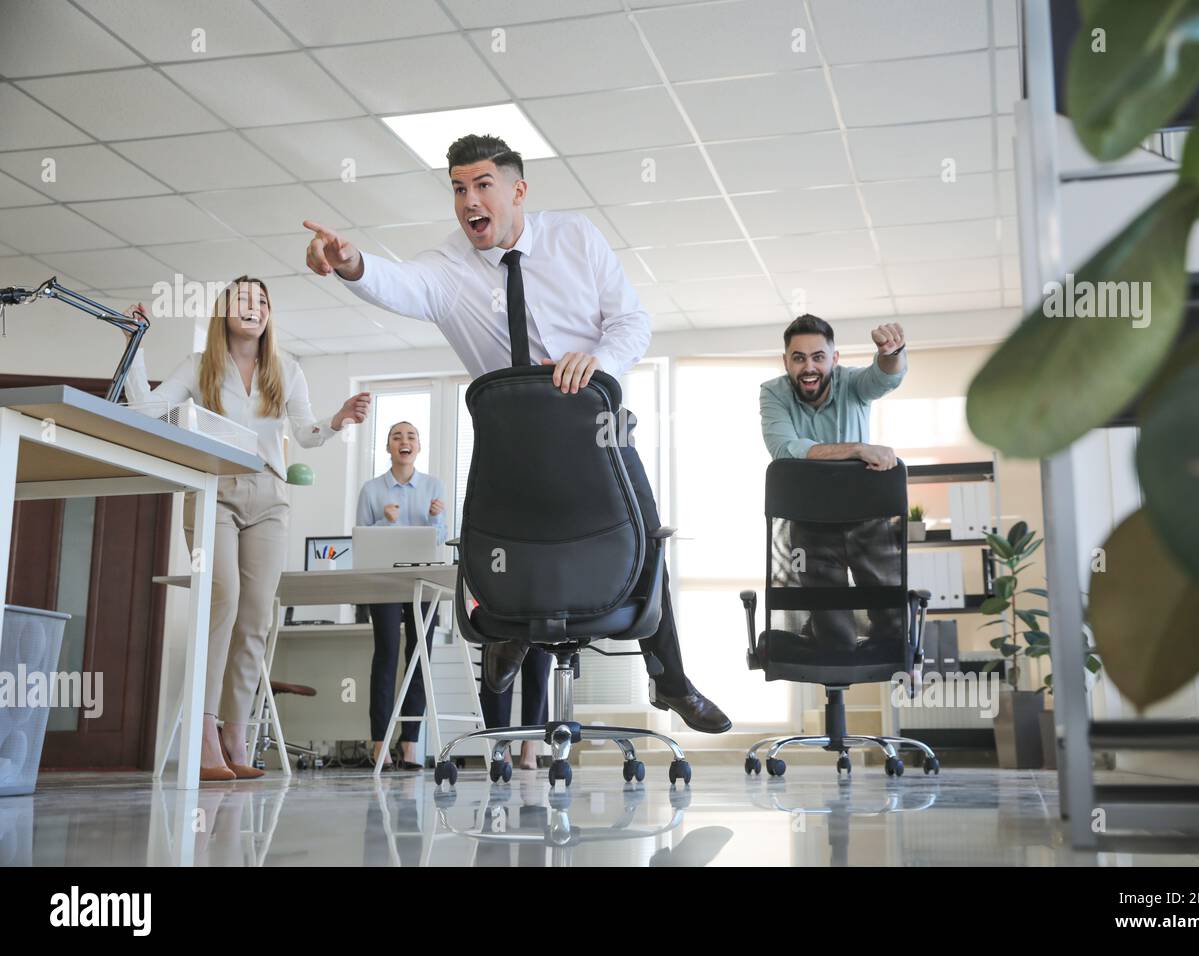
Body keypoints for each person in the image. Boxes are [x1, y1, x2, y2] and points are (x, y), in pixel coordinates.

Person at [303, 133, 730, 732]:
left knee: (645, 539)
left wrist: (599, 364)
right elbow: (397, 283)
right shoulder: (448, 268)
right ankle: (507, 637)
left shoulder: (575, 237)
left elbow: (632, 320)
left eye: (482, 185)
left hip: (595, 429)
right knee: (500, 547)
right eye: (458, 189)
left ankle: (672, 682)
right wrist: (350, 263)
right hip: (514, 446)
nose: (469, 200)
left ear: (517, 190)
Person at [124, 276, 370, 781]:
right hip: (215, 489)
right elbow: (147, 411)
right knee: (224, 600)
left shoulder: (286, 369)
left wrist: (338, 419)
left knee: (256, 616)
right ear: (224, 311)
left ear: (268, 315)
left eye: (262, 301)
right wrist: (136, 346)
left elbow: (303, 432)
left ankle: (237, 735)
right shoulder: (199, 366)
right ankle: (204, 734)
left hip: (269, 499)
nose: (253, 307)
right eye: (242, 299)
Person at [759, 314, 908, 650]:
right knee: (836, 638)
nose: (808, 367)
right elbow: (785, 450)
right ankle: (818, 632)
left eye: (818, 357)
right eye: (798, 358)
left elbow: (885, 378)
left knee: (893, 623)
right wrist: (858, 449)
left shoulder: (852, 384)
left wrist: (891, 352)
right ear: (786, 362)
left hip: (866, 517)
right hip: (809, 522)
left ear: (834, 359)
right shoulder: (773, 393)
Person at [356, 420, 447, 771]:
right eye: (397, 436)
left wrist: (438, 521)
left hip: (423, 581)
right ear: (388, 448)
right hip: (384, 583)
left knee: (418, 659)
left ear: (418, 447)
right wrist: (384, 521)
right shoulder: (372, 490)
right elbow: (361, 541)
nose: (404, 441)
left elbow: (441, 541)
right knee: (387, 655)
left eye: (410, 437)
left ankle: (410, 745)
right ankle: (380, 744)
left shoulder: (433, 486)